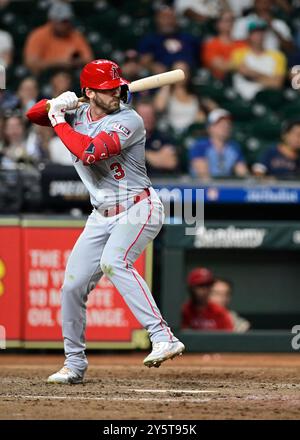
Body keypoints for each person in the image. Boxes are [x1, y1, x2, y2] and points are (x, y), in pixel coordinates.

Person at [26, 59, 185, 384]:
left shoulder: (130, 120)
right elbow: (32, 115)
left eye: (117, 86)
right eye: (108, 89)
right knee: (71, 287)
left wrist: (57, 119)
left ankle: (163, 336)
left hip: (138, 207)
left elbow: (89, 152)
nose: (117, 92)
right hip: (101, 215)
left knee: (115, 262)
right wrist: (55, 103)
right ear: (89, 92)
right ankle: (74, 364)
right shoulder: (79, 113)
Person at [24, 1, 93, 75]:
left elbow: (89, 59)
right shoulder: (39, 35)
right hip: (46, 75)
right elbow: (31, 63)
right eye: (62, 22)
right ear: (52, 21)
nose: (66, 25)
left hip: (70, 75)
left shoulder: (75, 34)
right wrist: (57, 63)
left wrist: (72, 62)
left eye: (67, 21)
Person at [231, 19, 287, 101]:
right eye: (255, 32)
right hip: (246, 97)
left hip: (271, 96)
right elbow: (244, 71)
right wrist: (269, 79)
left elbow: (277, 84)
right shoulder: (239, 53)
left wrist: (254, 75)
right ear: (249, 35)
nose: (259, 35)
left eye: (261, 32)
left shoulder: (278, 56)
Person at [189, 108, 248, 179]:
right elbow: (203, 175)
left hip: (225, 186)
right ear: (210, 127)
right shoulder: (200, 146)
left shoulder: (234, 147)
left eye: (228, 124)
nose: (225, 126)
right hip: (201, 188)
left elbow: (243, 173)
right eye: (220, 124)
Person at [138, 5, 199, 74]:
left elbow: (196, 59)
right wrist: (152, 66)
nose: (167, 21)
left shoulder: (187, 37)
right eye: (163, 18)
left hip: (184, 72)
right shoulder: (150, 39)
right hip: (160, 74)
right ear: (157, 19)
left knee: (180, 68)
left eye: (170, 17)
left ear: (176, 19)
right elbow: (144, 61)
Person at [153, 60, 206, 134]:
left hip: (191, 134)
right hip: (172, 135)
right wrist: (167, 82)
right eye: (176, 72)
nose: (180, 75)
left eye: (184, 71)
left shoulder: (194, 95)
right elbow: (159, 107)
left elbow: (201, 118)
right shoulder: (167, 92)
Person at [135, 100, 179, 176]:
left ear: (154, 116)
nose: (147, 118)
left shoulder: (165, 137)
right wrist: (151, 156)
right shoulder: (128, 138)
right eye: (143, 115)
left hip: (162, 183)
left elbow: (171, 163)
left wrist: (141, 155)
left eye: (149, 114)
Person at [202, 10, 247, 80]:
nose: (230, 23)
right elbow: (221, 66)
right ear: (217, 24)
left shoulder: (241, 44)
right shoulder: (211, 44)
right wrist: (239, 64)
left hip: (244, 79)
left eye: (232, 20)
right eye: (226, 20)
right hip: (221, 81)